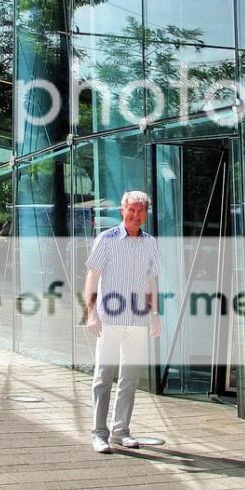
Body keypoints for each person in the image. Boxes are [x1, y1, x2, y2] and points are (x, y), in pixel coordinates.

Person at [84, 190, 162, 453]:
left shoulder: (150, 242)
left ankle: (121, 431)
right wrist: (91, 312)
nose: (136, 215)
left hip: (137, 319)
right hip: (109, 318)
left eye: (141, 211)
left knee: (130, 378)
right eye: (132, 210)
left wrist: (155, 313)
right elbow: (92, 279)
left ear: (146, 213)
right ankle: (98, 433)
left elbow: (150, 281)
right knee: (103, 376)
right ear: (122, 210)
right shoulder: (106, 239)